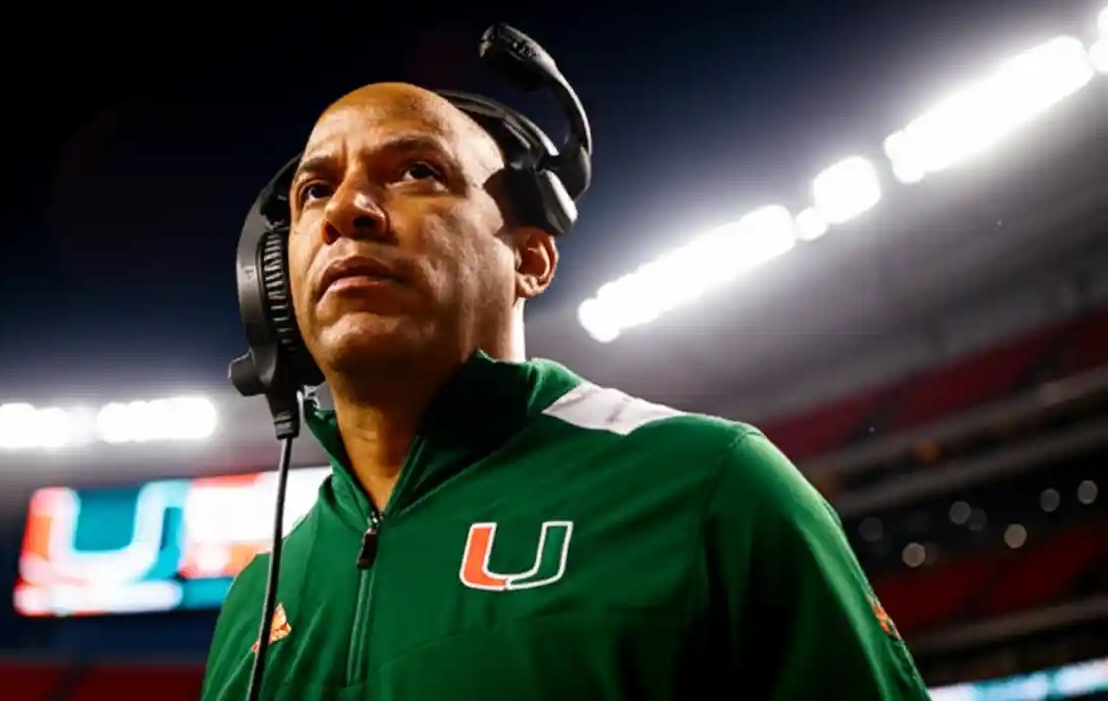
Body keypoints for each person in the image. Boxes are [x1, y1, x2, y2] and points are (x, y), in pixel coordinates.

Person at [202, 80, 932, 700]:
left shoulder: (707, 485)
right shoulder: (255, 602)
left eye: (418, 171)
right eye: (315, 190)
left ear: (532, 257)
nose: (346, 210)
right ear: (271, 285)